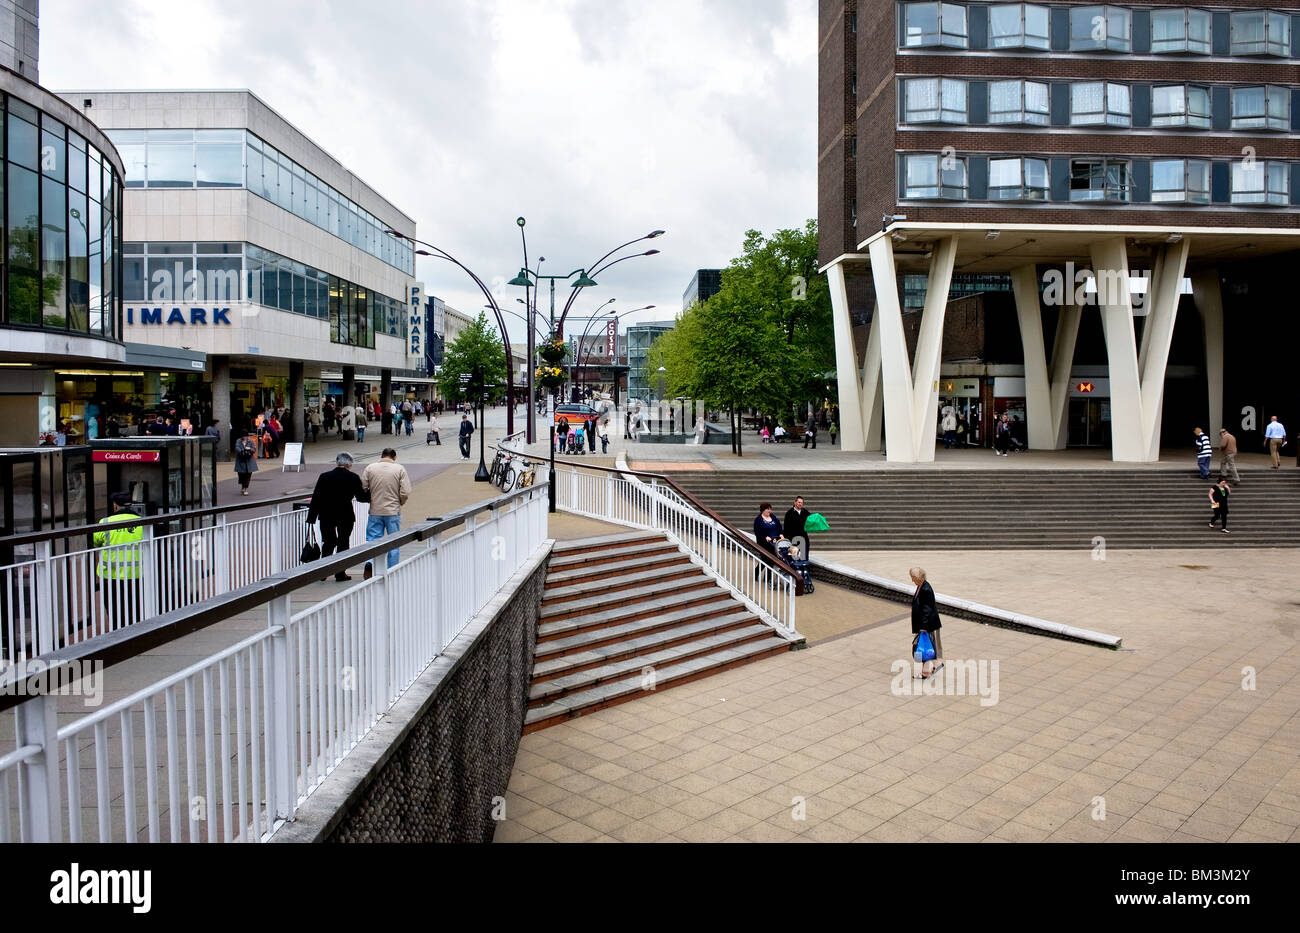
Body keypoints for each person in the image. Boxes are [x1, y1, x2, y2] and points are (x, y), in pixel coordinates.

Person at [307, 452, 369, 581]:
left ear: (337, 462)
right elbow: (361, 497)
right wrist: (371, 494)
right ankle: (340, 572)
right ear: (349, 464)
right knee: (343, 542)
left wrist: (311, 517)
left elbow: (316, 497)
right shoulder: (353, 477)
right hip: (345, 514)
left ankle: (323, 572)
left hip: (326, 514)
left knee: (328, 542)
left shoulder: (324, 476)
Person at [94, 492, 144, 626]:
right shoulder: (142, 522)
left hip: (110, 575)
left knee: (114, 610)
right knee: (135, 608)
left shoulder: (104, 523)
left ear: (115, 506)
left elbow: (96, 541)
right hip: (135, 574)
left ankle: (118, 635)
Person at [361, 448, 411, 576]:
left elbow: (363, 487)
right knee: (394, 541)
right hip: (392, 510)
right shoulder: (399, 469)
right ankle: (392, 570)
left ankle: (370, 562)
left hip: (375, 510)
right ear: (394, 457)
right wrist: (400, 502)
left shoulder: (370, 468)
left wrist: (371, 499)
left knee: (373, 539)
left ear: (381, 456)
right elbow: (405, 491)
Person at [910, 567, 943, 679]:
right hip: (924, 624)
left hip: (927, 625)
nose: (912, 580)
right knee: (926, 647)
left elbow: (927, 609)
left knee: (924, 648)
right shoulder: (921, 586)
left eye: (913, 578)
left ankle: (926, 672)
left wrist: (923, 626)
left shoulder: (926, 589)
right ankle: (936, 665)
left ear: (918, 577)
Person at [752, 502, 782, 581]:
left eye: (770, 509)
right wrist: (765, 537)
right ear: (763, 510)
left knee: (771, 560)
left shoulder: (773, 517)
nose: (769, 511)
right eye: (767, 509)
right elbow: (757, 531)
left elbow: (779, 526)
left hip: (774, 542)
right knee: (765, 559)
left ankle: (767, 578)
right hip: (764, 543)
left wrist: (781, 534)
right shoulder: (758, 519)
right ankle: (759, 573)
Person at [783, 496, 810, 562]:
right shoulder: (789, 513)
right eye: (799, 502)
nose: (800, 504)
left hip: (804, 538)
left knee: (804, 557)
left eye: (801, 503)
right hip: (794, 539)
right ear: (795, 502)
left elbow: (811, 520)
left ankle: (804, 571)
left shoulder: (805, 512)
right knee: (794, 558)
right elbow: (786, 527)